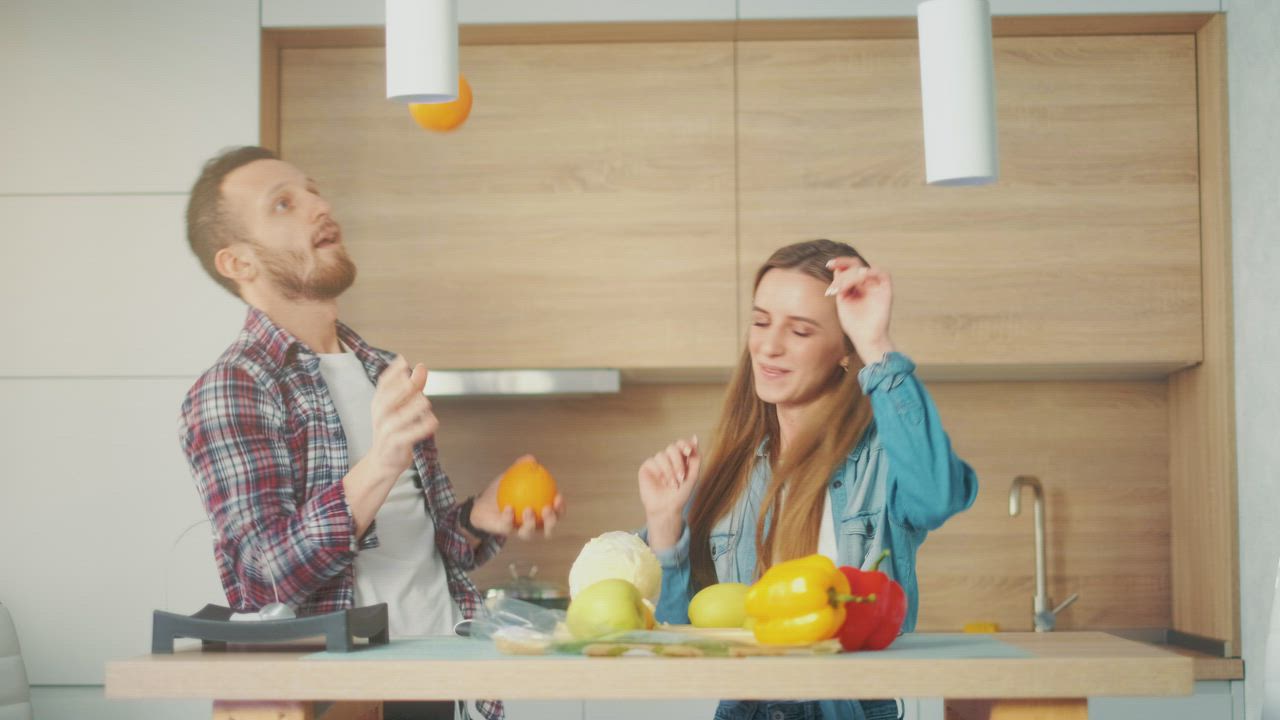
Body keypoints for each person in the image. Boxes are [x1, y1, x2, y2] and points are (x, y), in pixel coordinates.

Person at [178, 146, 563, 720]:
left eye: (312, 189)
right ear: (237, 263)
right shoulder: (232, 388)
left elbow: (419, 549)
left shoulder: (384, 370)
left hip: (446, 678)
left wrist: (479, 517)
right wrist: (381, 462)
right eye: (284, 203)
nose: (318, 205)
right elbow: (266, 579)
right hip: (344, 697)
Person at [639, 239, 978, 720]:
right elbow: (679, 631)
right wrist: (664, 524)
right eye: (760, 322)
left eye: (799, 331)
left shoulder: (881, 462)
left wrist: (875, 345)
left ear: (844, 351)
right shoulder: (729, 474)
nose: (769, 346)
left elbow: (939, 495)